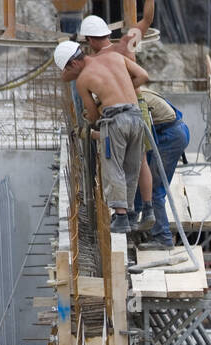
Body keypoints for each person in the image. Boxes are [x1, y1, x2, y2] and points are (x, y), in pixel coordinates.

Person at [55, 39, 149, 234]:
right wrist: (120, 90)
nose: (69, 76)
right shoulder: (114, 57)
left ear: (74, 64)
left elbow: (94, 115)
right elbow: (142, 75)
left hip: (115, 122)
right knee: (132, 166)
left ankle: (121, 216)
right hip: (136, 117)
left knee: (112, 165)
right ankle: (130, 214)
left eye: (68, 70)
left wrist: (98, 108)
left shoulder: (83, 80)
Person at [80, 5, 157, 233]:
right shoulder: (126, 43)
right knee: (139, 161)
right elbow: (148, 19)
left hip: (119, 111)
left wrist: (110, 100)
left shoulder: (95, 61)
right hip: (139, 107)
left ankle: (124, 214)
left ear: (91, 40)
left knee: (116, 162)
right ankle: (147, 209)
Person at [135, 85, 189, 249]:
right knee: (142, 176)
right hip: (168, 131)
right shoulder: (134, 89)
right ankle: (137, 217)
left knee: (153, 188)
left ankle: (163, 238)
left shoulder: (133, 99)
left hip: (169, 136)